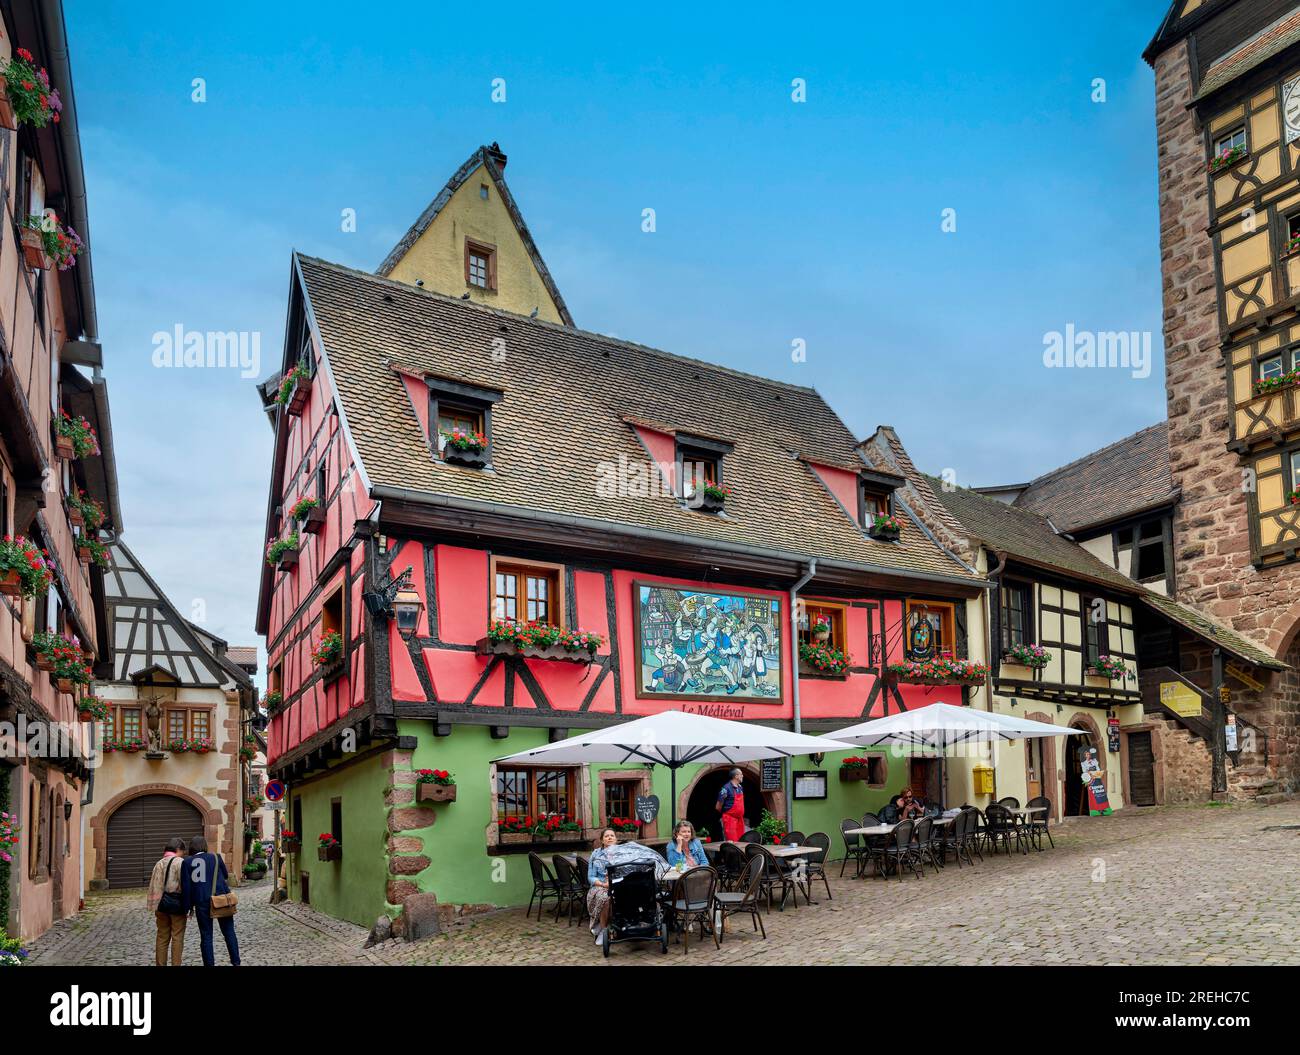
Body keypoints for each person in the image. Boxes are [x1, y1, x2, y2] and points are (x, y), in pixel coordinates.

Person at [181, 835, 241, 966]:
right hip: (220, 899)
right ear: (204, 846)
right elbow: (225, 875)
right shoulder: (215, 857)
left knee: (206, 935)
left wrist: (188, 907)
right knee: (229, 931)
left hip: (201, 901)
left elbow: (187, 887)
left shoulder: (186, 862)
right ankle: (236, 962)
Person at [147, 838, 188, 966]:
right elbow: (184, 885)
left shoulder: (159, 863)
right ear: (179, 850)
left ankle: (160, 964)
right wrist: (188, 905)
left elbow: (152, 885)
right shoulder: (180, 862)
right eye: (183, 851)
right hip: (176, 905)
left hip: (160, 905)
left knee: (162, 937)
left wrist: (153, 905)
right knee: (177, 936)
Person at [586, 828, 619, 947]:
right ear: (602, 840)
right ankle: (603, 930)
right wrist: (602, 884)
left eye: (612, 835)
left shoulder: (622, 853)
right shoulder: (596, 854)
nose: (609, 837)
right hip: (600, 885)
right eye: (606, 836)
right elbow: (591, 876)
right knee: (605, 897)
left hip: (618, 885)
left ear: (616, 839)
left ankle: (615, 926)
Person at [716, 768, 746, 842]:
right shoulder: (726, 788)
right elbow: (718, 806)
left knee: (741, 841)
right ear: (736, 776)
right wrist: (727, 814)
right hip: (730, 820)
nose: (742, 776)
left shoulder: (740, 787)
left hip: (740, 819)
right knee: (732, 843)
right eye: (741, 774)